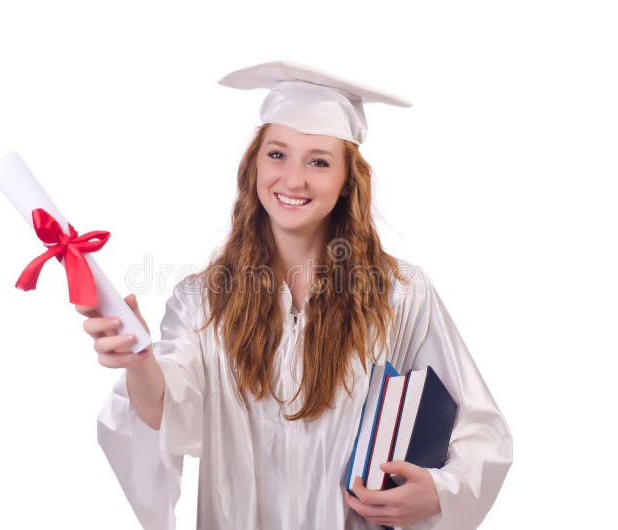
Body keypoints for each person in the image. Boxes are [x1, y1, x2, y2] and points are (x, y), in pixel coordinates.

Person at [77, 61, 513, 529]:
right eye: (278, 154)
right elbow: (166, 412)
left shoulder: (399, 294)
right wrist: (139, 360)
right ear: (254, 165)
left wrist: (439, 493)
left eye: (319, 161)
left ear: (348, 180)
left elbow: (480, 431)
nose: (293, 179)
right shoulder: (204, 299)